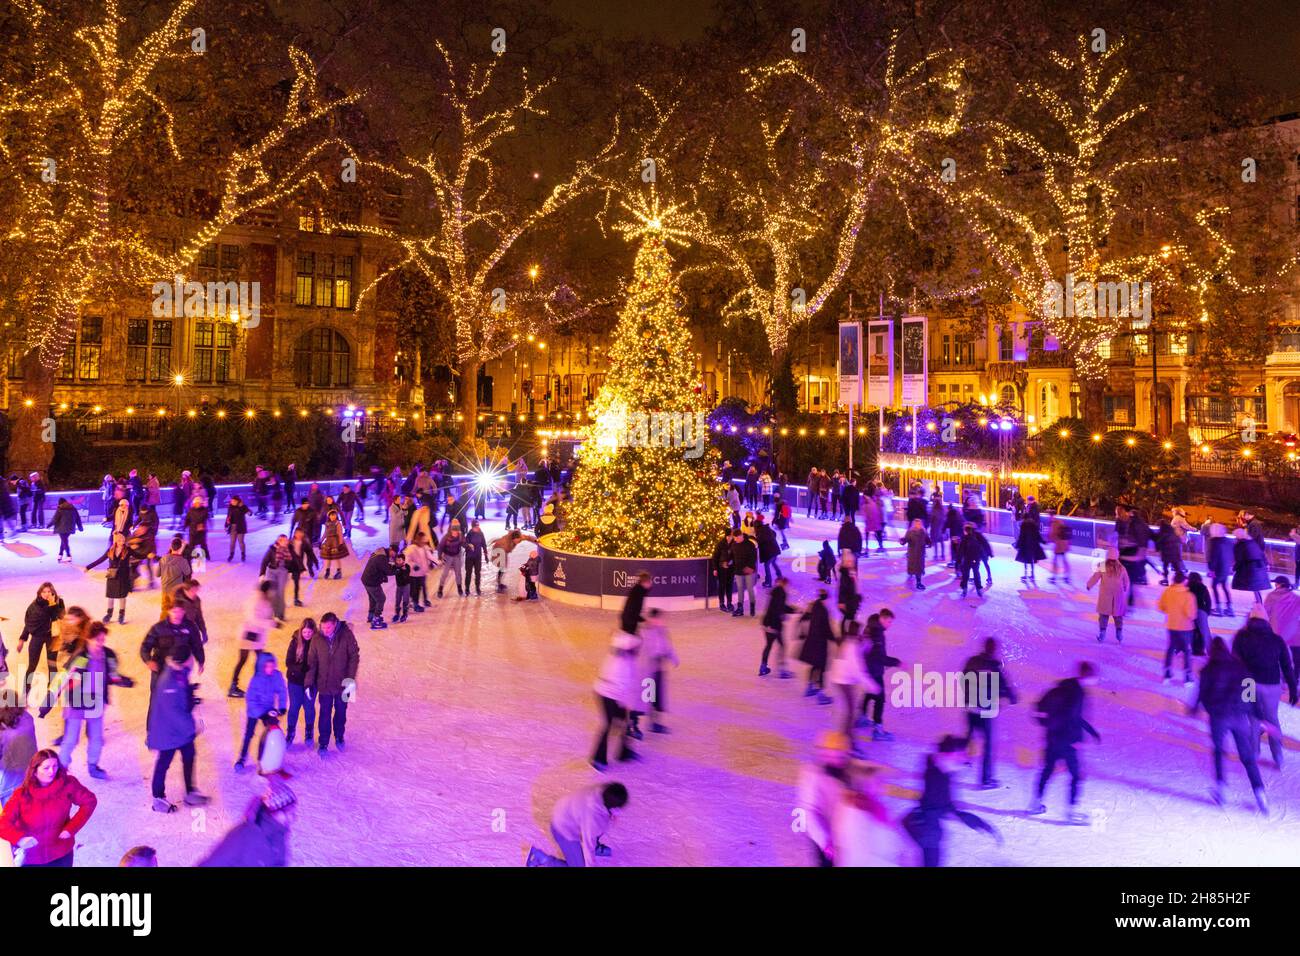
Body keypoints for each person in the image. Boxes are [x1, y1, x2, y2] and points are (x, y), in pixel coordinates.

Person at [1189, 637, 1269, 814]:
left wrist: (1195, 708)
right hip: (1240, 718)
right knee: (1248, 758)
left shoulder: (1207, 670)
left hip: (1219, 718)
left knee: (1219, 751)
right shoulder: (1241, 667)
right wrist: (1258, 715)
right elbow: (1250, 691)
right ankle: (1260, 793)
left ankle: (1221, 790)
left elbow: (1201, 693)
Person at [902, 735, 1000, 867]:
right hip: (927, 828)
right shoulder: (937, 777)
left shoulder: (941, 770)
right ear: (949, 755)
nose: (965, 757)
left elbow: (947, 807)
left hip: (928, 824)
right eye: (961, 753)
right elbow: (942, 806)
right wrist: (979, 823)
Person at [57, 621, 132, 779]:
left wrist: (123, 680)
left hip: (96, 702)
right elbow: (64, 678)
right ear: (88, 639)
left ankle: (93, 766)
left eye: (103, 639)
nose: (100, 643)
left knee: (96, 737)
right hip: (76, 701)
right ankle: (61, 769)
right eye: (97, 639)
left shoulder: (108, 655)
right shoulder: (80, 657)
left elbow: (112, 675)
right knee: (70, 739)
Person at [1029, 661, 1101, 824]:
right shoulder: (1078, 693)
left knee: (1047, 771)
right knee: (1076, 775)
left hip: (1052, 737)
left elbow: (1068, 715)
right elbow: (1074, 717)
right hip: (1068, 741)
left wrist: (1092, 732)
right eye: (1094, 677)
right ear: (1087, 676)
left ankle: (1035, 804)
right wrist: (1078, 740)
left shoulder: (1063, 687)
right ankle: (1071, 812)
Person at [0, 750, 97, 866]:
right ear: (34, 771)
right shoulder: (21, 795)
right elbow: (3, 824)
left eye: (55, 766)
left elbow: (89, 801)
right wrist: (19, 839)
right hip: (33, 857)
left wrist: (71, 828)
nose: (52, 771)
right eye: (46, 768)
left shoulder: (68, 784)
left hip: (62, 852)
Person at [146, 646, 210, 813]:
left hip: (179, 731)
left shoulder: (179, 673)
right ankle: (158, 798)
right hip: (168, 731)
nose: (191, 663)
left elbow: (181, 699)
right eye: (189, 660)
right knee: (164, 762)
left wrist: (190, 695)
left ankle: (190, 792)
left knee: (189, 755)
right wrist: (193, 727)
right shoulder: (169, 682)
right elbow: (174, 712)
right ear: (180, 662)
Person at [1231, 609, 1297, 770]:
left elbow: (1234, 662)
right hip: (1271, 684)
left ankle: (1253, 754)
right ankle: (1278, 756)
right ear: (1267, 622)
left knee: (1253, 721)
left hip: (1248, 683)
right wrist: (1293, 688)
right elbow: (1287, 666)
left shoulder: (1241, 638)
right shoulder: (1276, 640)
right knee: (1272, 719)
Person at [199, 777, 299, 867]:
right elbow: (215, 862)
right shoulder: (244, 835)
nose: (293, 817)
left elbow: (279, 860)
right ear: (274, 813)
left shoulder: (279, 831)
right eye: (289, 812)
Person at [526, 783, 629, 867]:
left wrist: (612, 814)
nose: (619, 811)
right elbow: (589, 845)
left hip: (567, 814)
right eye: (617, 808)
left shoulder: (602, 791)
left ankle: (596, 847)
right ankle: (541, 858)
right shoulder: (593, 817)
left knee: (602, 823)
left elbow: (602, 824)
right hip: (563, 830)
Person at [961, 638, 1017, 788]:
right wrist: (1012, 698)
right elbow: (1003, 685)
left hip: (970, 706)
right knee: (989, 744)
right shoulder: (994, 666)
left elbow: (963, 679)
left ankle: (959, 759)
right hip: (985, 710)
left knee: (969, 734)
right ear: (993, 649)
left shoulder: (972, 661)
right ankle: (986, 779)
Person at [303, 613, 359, 758]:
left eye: (328, 627)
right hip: (324, 684)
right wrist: (308, 683)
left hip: (344, 684)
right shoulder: (316, 639)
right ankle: (323, 743)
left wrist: (350, 680)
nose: (325, 630)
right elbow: (312, 663)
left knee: (341, 713)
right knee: (324, 715)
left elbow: (354, 656)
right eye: (323, 627)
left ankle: (339, 736)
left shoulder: (346, 635)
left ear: (335, 624)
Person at [796, 730, 856, 866]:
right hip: (823, 837)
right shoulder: (812, 775)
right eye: (833, 755)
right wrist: (824, 842)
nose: (838, 760)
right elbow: (808, 811)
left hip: (843, 836)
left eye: (841, 756)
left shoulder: (847, 773)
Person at [592, 631, 642, 770]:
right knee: (608, 723)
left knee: (623, 722)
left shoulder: (624, 657)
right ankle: (598, 759)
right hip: (606, 693)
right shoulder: (622, 661)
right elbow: (624, 686)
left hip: (612, 693)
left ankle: (623, 753)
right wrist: (628, 705)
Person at [236, 652, 287, 772]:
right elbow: (251, 700)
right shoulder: (256, 680)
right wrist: (262, 714)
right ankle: (242, 758)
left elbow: (282, 691)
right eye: (267, 666)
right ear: (261, 666)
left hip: (269, 708)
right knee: (249, 734)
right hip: (255, 710)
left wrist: (282, 707)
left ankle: (270, 756)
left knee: (274, 731)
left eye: (272, 666)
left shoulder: (277, 675)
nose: (270, 669)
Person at [16, 582, 65, 706]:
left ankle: (52, 692)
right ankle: (25, 692)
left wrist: (53, 604)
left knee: (52, 665)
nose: (47, 594)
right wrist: (22, 638)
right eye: (44, 592)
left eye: (49, 591)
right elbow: (29, 623)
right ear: (39, 593)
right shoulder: (34, 606)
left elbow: (59, 616)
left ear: (53, 592)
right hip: (37, 637)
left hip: (52, 637)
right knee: (32, 666)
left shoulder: (58, 602)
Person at [140, 603, 205, 694]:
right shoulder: (158, 628)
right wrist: (148, 660)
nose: (177, 614)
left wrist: (201, 661)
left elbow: (196, 645)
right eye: (174, 611)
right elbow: (145, 646)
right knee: (157, 691)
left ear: (184, 612)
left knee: (180, 691)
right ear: (168, 611)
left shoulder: (190, 627)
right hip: (161, 665)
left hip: (181, 664)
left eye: (180, 611)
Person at [828, 621, 871, 751]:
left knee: (849, 711)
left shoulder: (847, 641)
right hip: (843, 681)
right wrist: (870, 684)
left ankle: (845, 738)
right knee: (850, 712)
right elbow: (856, 668)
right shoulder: (851, 645)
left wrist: (864, 644)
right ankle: (847, 741)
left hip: (840, 679)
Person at [229, 581, 276, 698]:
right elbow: (254, 619)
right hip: (247, 635)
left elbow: (266, 617)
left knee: (259, 660)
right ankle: (233, 687)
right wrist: (272, 623)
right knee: (243, 660)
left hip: (257, 636)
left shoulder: (266, 601)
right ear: (266, 591)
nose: (273, 594)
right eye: (272, 592)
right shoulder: (254, 601)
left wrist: (270, 621)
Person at [860, 610, 899, 741]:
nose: (890, 625)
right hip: (873, 669)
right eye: (889, 622)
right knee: (880, 698)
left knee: (870, 691)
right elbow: (879, 656)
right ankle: (878, 729)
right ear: (882, 619)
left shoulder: (872, 627)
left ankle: (861, 716)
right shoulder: (877, 632)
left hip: (868, 667)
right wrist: (897, 662)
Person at [1157, 572, 1198, 686]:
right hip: (1185, 628)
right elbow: (1191, 614)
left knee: (1170, 649)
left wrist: (1171, 611)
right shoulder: (1188, 596)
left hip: (1171, 626)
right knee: (1187, 651)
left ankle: (1167, 675)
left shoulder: (1167, 592)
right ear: (1184, 581)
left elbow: (1161, 607)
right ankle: (1188, 677)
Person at [797, 590, 835, 705]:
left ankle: (809, 688)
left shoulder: (814, 606)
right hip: (820, 643)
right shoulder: (823, 610)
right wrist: (834, 639)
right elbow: (826, 628)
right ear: (826, 599)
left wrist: (802, 633)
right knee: (822, 667)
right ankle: (821, 694)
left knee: (815, 665)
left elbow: (803, 618)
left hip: (812, 641)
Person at [284, 619, 317, 750]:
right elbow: (288, 662)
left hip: (311, 683)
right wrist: (299, 669)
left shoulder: (317, 643)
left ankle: (309, 732)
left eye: (309, 632)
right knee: (294, 707)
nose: (307, 634)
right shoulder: (295, 642)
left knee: (309, 707)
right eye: (304, 632)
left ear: (313, 631)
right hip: (295, 682)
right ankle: (290, 733)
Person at [86, 533, 133, 624]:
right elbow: (101, 559)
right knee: (110, 596)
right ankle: (109, 614)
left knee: (122, 596)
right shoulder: (110, 550)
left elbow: (139, 555)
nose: (122, 542)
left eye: (123, 540)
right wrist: (88, 567)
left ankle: (121, 615)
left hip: (123, 576)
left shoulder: (128, 550)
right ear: (116, 540)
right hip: (112, 576)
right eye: (120, 540)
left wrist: (150, 554)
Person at [1087, 548, 1131, 643]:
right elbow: (1126, 581)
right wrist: (1125, 589)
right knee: (1117, 616)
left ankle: (1103, 633)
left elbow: (1096, 577)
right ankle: (1118, 633)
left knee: (1104, 615)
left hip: (1106, 597)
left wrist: (1089, 585)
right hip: (1117, 597)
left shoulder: (1104, 565)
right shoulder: (1121, 568)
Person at [0, 705, 38, 808]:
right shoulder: (28, 718)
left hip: (9, 775)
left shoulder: (3, 730)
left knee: (10, 808)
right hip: (29, 767)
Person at [759, 576, 796, 678]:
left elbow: (778, 607)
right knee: (782, 646)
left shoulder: (774, 591)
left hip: (766, 623)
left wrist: (791, 610)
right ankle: (782, 671)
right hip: (775, 625)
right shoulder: (781, 592)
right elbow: (780, 608)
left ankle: (763, 667)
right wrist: (790, 612)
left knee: (768, 645)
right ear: (784, 583)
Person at [1264, 576, 1300, 665]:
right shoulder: (1296, 598)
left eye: (1276, 584)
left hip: (1276, 631)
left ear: (1280, 585)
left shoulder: (1271, 596)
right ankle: (1295, 674)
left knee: (1274, 654)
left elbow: (1265, 613)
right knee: (1296, 654)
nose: (1275, 585)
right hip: (1293, 632)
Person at [258, 534, 293, 624]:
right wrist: (262, 574)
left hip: (283, 572)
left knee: (280, 593)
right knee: (272, 593)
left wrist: (293, 571)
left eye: (286, 540)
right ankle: (270, 614)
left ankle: (280, 615)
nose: (286, 542)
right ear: (279, 541)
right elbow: (265, 561)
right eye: (284, 541)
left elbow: (293, 562)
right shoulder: (272, 549)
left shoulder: (289, 549)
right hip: (271, 571)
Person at [1231, 527, 1270, 606]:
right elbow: (1261, 554)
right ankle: (1259, 604)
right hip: (1259, 567)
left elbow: (1239, 559)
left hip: (1249, 569)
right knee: (1256, 588)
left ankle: (1259, 605)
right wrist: (1266, 564)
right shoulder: (1252, 542)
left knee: (1255, 587)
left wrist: (1234, 568)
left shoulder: (1240, 545)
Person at [956, 523, 992, 598]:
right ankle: (978, 589)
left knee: (966, 575)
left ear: (965, 530)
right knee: (976, 573)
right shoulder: (975, 537)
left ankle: (965, 590)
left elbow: (960, 550)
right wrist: (987, 554)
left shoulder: (965, 539)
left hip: (967, 559)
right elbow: (983, 546)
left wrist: (958, 560)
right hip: (976, 559)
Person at [1206, 523, 1234, 616]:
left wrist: (1211, 569)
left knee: (1214, 586)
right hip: (1225, 568)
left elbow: (1213, 557)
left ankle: (1218, 608)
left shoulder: (1214, 541)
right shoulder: (1228, 541)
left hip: (1217, 569)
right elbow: (1232, 555)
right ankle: (1230, 608)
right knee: (1224, 586)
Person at [730, 527, 758, 617]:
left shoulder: (750, 544)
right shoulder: (734, 545)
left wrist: (750, 567)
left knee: (750, 589)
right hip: (738, 571)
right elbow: (732, 556)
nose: (735, 540)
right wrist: (728, 562)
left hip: (749, 571)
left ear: (741, 536)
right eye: (734, 538)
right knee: (740, 589)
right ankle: (740, 608)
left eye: (737, 538)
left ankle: (752, 607)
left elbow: (753, 557)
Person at [48, 498, 83, 563]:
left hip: (61, 528)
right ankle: (60, 554)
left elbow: (55, 519)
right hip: (70, 528)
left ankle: (68, 556)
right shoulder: (73, 508)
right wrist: (80, 527)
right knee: (64, 541)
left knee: (65, 541)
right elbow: (78, 518)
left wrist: (49, 525)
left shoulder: (60, 509)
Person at [1186, 571, 1212, 657]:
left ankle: (1195, 649)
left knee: (1193, 630)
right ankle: (1211, 652)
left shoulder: (1187, 587)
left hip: (1190, 611)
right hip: (1201, 611)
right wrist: (1207, 612)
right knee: (1205, 632)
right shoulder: (1202, 587)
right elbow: (1208, 601)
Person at [1014, 514, 1046, 583]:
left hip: (1025, 544)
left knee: (1025, 559)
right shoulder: (1033, 523)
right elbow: (1037, 534)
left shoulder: (1023, 524)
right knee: (1032, 559)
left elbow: (1022, 535)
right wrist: (1042, 541)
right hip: (1033, 544)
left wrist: (1018, 544)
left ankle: (1025, 574)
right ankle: (1032, 574)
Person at [435, 526, 465, 599]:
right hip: (448, 556)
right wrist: (439, 556)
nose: (455, 533)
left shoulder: (460, 536)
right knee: (445, 573)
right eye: (453, 531)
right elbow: (440, 547)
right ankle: (440, 589)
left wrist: (468, 546)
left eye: (456, 532)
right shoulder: (446, 537)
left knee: (458, 573)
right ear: (451, 531)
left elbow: (464, 543)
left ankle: (459, 588)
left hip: (456, 556)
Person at [318, 508, 349, 578]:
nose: (333, 516)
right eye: (331, 515)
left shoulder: (338, 523)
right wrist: (321, 540)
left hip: (335, 542)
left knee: (336, 557)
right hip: (328, 542)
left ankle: (339, 572)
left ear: (336, 515)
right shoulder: (327, 524)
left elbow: (340, 534)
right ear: (329, 516)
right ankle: (327, 571)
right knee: (328, 557)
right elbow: (325, 533)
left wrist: (340, 544)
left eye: (334, 515)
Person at [837, 551, 860, 635]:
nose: (852, 563)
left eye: (852, 561)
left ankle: (847, 633)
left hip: (851, 599)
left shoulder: (850, 571)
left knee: (849, 617)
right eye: (849, 561)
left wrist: (857, 596)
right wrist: (841, 601)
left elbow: (854, 586)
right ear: (845, 563)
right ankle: (845, 634)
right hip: (847, 601)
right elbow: (842, 588)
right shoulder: (845, 574)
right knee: (848, 617)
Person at [712, 529, 735, 612]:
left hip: (731, 569)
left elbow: (735, 556)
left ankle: (729, 602)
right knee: (722, 586)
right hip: (721, 569)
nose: (731, 538)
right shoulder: (720, 544)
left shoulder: (734, 544)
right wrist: (715, 568)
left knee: (729, 585)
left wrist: (731, 562)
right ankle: (722, 603)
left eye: (732, 536)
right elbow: (715, 557)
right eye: (729, 536)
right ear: (726, 536)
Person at [464, 519, 488, 597]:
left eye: (478, 526)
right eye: (475, 526)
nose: (477, 528)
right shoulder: (469, 534)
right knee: (468, 573)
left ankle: (478, 588)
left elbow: (483, 544)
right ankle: (467, 589)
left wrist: (486, 555)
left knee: (478, 573)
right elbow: (465, 543)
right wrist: (468, 545)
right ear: (472, 527)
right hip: (469, 557)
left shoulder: (481, 533)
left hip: (477, 557)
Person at [903, 518, 928, 590]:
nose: (918, 525)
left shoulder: (923, 532)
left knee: (918, 568)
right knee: (916, 567)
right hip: (914, 553)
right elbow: (905, 540)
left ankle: (918, 582)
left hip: (919, 553)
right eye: (916, 524)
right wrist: (902, 541)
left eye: (919, 524)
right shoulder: (910, 532)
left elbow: (927, 539)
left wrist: (929, 542)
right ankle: (915, 579)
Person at [225, 493, 250, 562]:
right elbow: (228, 517)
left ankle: (243, 555)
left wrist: (246, 510)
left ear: (237, 501)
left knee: (241, 542)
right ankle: (231, 554)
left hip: (240, 526)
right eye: (231, 501)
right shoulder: (230, 507)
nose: (232, 502)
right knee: (232, 542)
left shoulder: (242, 507)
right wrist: (226, 525)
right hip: (232, 527)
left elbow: (250, 513)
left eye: (233, 501)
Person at [1047, 514, 1072, 583]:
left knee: (1055, 561)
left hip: (1059, 545)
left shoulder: (1054, 523)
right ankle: (1067, 576)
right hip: (1064, 544)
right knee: (1064, 560)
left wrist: (1049, 540)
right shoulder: (1061, 521)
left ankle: (1054, 577)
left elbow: (1052, 534)